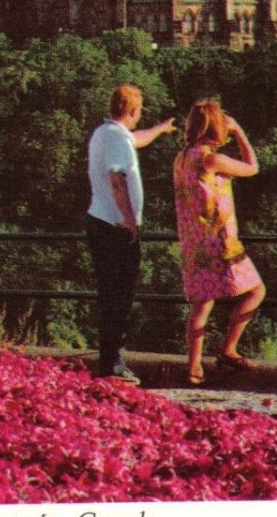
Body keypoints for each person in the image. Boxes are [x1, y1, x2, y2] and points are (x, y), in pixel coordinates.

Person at [86, 84, 176, 384]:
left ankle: (110, 360)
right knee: (119, 298)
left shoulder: (106, 133)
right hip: (115, 228)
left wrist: (160, 130)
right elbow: (116, 179)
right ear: (134, 111)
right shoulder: (116, 140)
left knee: (110, 295)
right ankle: (112, 364)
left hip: (100, 222)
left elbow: (134, 140)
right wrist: (130, 221)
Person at [172, 99, 265, 385]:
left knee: (202, 306)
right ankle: (228, 348)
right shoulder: (211, 159)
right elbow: (252, 167)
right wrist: (238, 132)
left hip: (193, 244)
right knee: (256, 291)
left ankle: (194, 366)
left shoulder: (182, 157)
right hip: (221, 243)